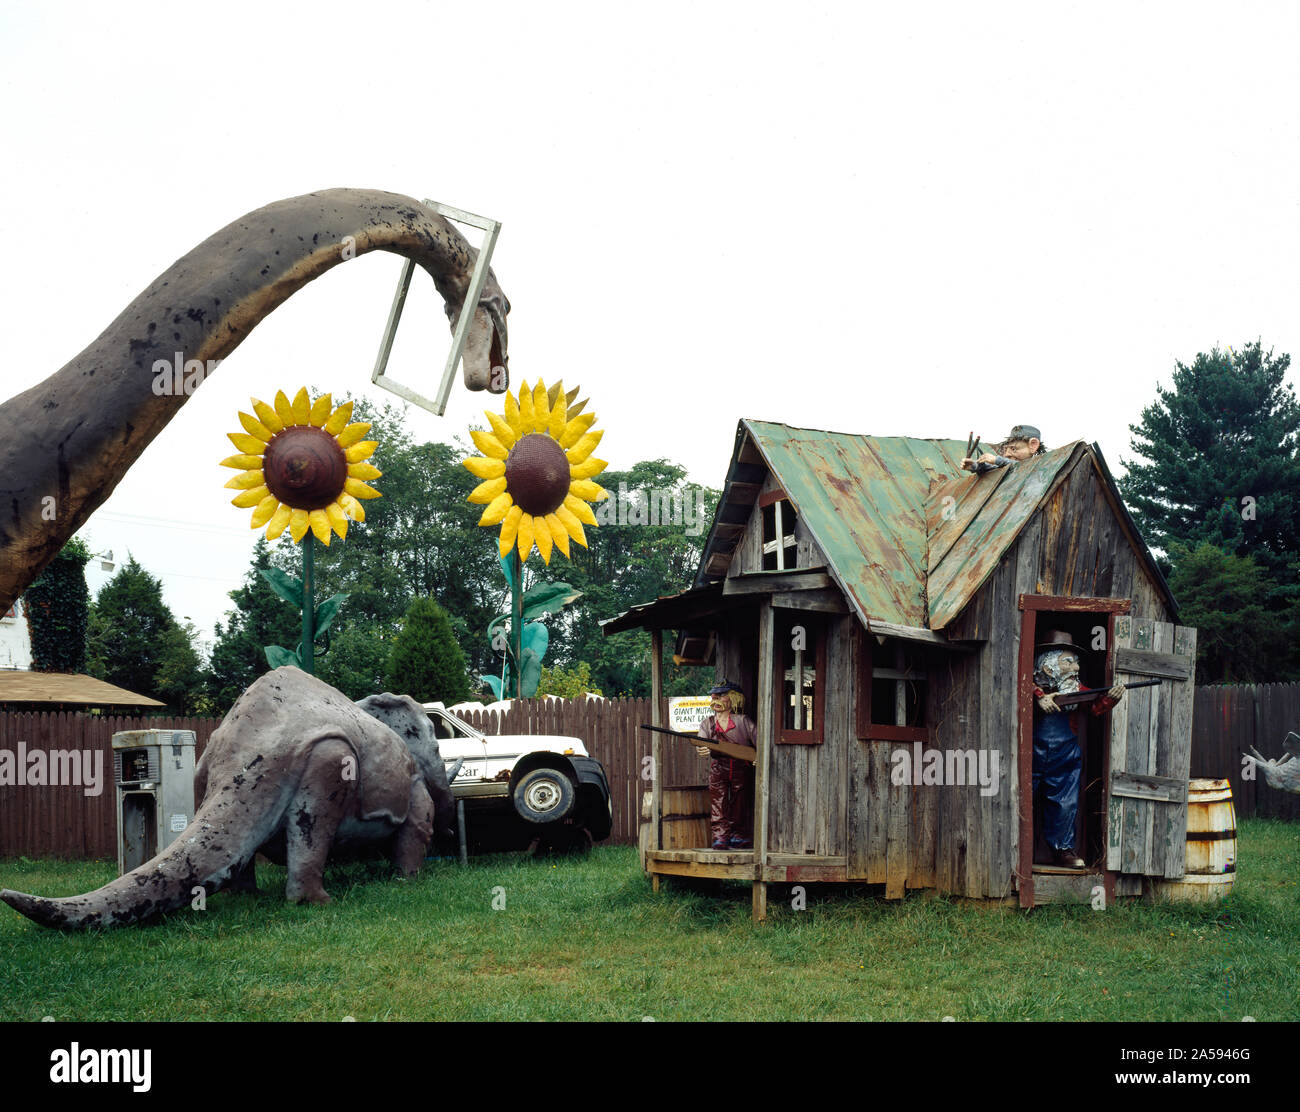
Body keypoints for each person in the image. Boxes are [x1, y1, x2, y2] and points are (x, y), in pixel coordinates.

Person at [1032, 631, 1124, 868]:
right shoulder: (1030, 683)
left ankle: (1063, 850)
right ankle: (1022, 848)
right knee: (1024, 799)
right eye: (1068, 661)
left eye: (1076, 662)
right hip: (1031, 753)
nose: (1076, 667)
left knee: (1065, 803)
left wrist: (1110, 698)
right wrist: (1038, 697)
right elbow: (1021, 688)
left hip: (1065, 753)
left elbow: (1095, 706)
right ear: (1048, 668)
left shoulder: (1077, 689)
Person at [695, 680, 756, 849]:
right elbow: (701, 742)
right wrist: (702, 748)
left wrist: (756, 757)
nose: (715, 698)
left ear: (734, 699)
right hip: (719, 767)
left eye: (721, 695)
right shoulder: (707, 723)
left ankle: (739, 834)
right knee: (717, 802)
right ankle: (720, 836)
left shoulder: (743, 721)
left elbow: (759, 743)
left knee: (740, 802)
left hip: (740, 767)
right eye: (714, 695)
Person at [962, 424, 1046, 474]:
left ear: (1033, 445)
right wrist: (974, 465)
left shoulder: (1040, 467)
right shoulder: (1008, 466)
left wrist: (997, 460)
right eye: (1006, 450)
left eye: (1014, 449)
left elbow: (1022, 467)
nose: (1006, 454)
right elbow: (994, 468)